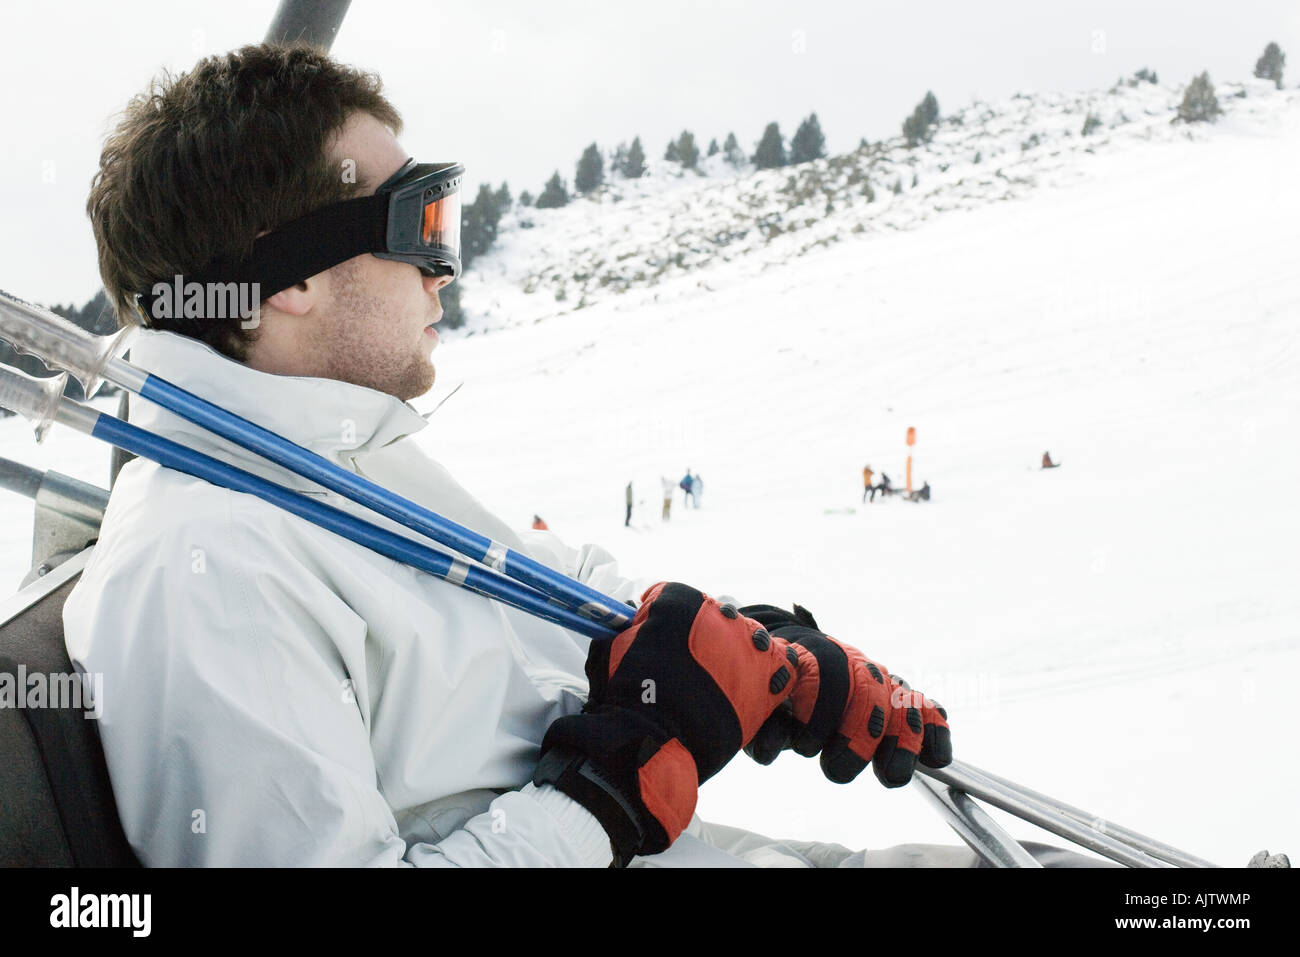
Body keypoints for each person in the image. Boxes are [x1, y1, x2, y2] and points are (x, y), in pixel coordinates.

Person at [63, 44, 1102, 869]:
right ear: (287, 279)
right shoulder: (205, 565)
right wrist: (612, 789)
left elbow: (539, 606)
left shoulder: (335, 467)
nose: (443, 274)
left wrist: (744, 655)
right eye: (417, 222)